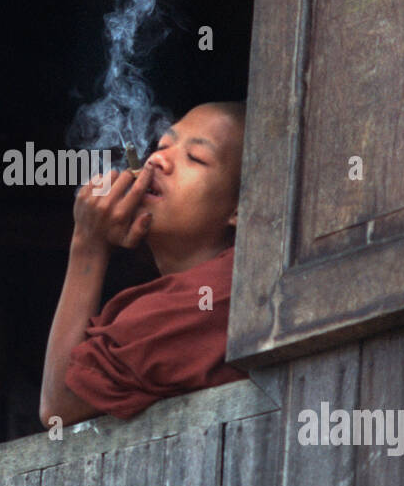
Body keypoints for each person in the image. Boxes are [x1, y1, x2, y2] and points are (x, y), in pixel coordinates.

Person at [39, 101, 248, 426]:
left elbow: (61, 403)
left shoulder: (222, 292)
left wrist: (88, 246)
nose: (156, 159)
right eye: (163, 145)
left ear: (239, 208)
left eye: (195, 158)